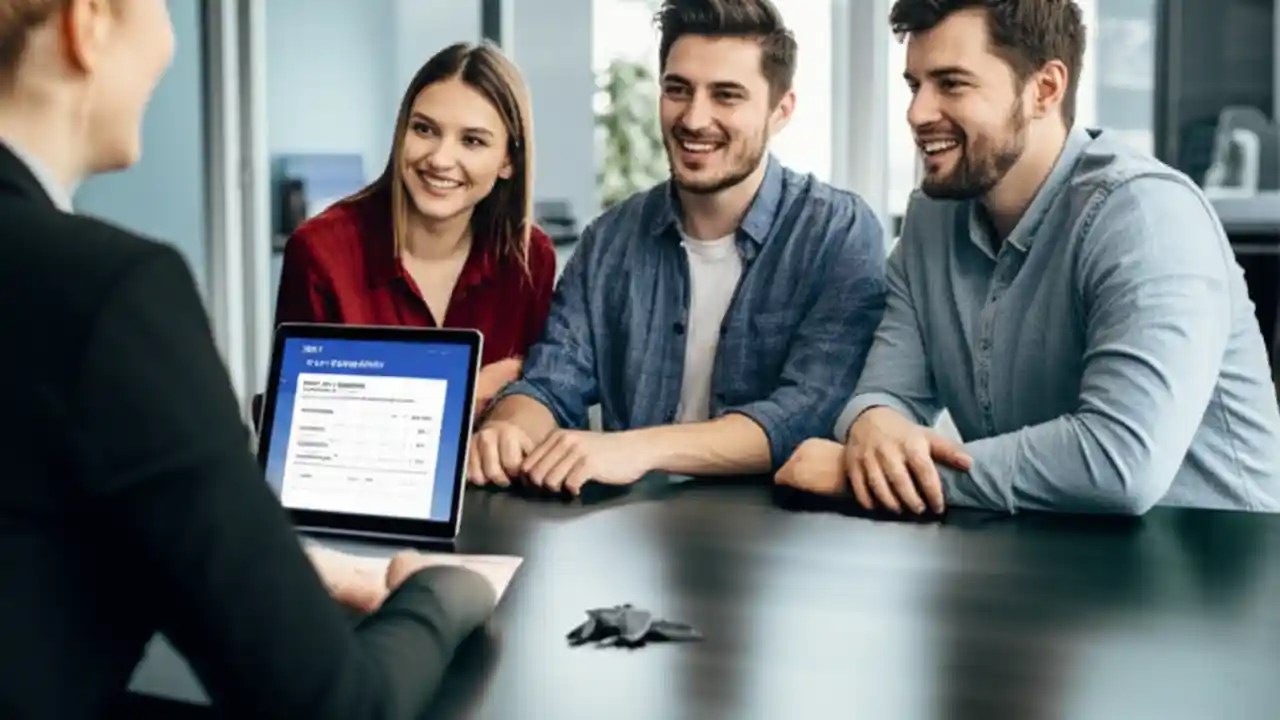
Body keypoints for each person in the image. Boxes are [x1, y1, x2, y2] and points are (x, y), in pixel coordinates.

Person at [0, 1, 502, 716]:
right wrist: (445, 591)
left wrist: (269, 564)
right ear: (89, 23)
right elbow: (336, 706)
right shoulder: (110, 291)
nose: (171, 42)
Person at [775, 0, 1280, 516]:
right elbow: (885, 393)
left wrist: (864, 476)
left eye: (951, 84)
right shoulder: (931, 218)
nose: (917, 113)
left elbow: (1120, 462)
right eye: (914, 85)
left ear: (1045, 89)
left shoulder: (1146, 214)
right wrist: (873, 424)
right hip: (1038, 561)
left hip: (1210, 572)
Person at [468, 0, 887, 497]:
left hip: (783, 537)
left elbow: (805, 411)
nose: (694, 118)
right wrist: (509, 429)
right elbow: (552, 380)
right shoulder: (610, 240)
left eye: (726, 96)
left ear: (781, 111)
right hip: (632, 531)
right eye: (678, 89)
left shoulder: (836, 231)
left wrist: (638, 448)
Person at [274, 41, 555, 417]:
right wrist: (473, 391)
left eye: (472, 141)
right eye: (424, 129)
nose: (439, 159)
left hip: (489, 476)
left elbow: (539, 404)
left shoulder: (529, 257)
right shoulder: (320, 252)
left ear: (508, 161)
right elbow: (309, 423)